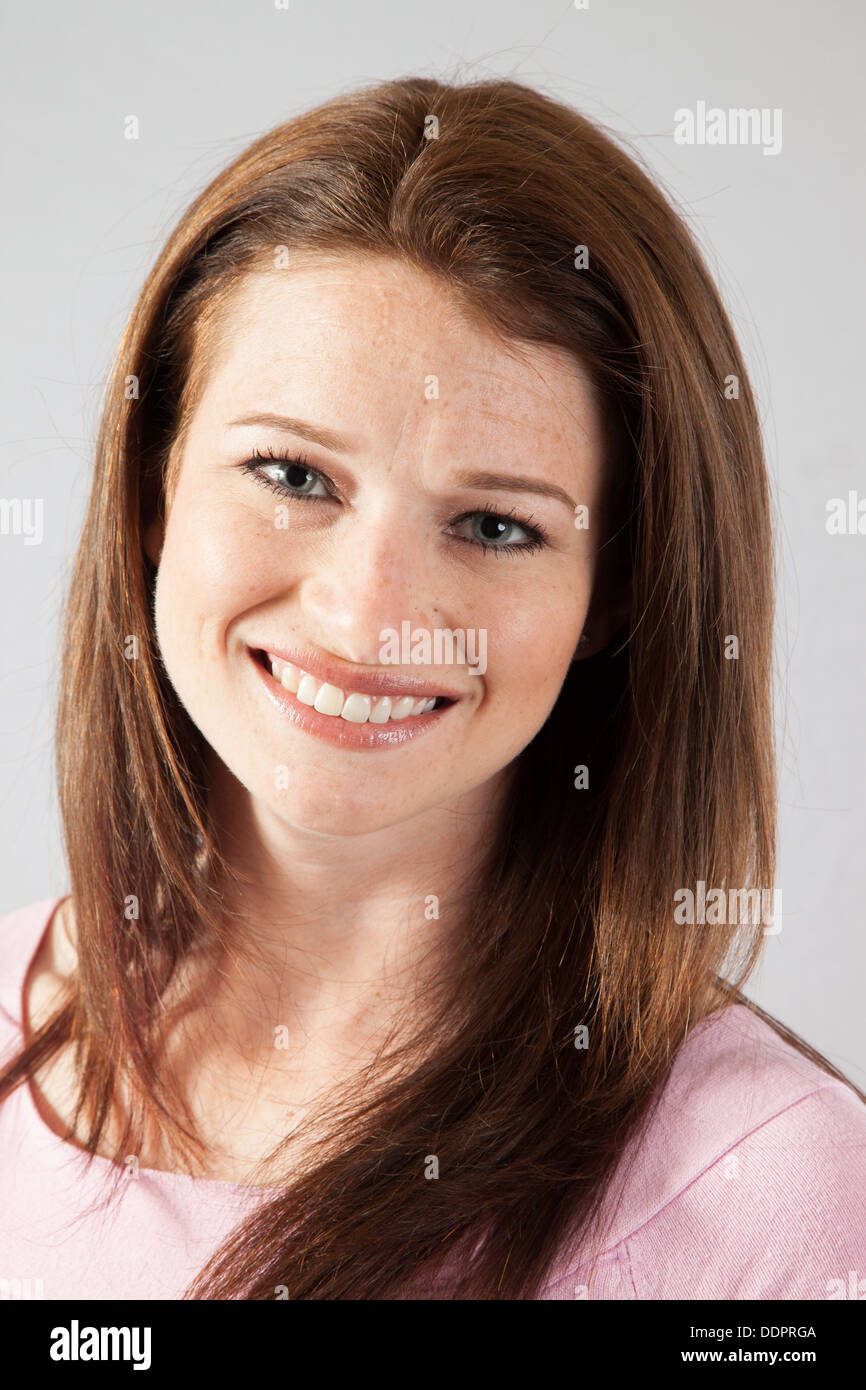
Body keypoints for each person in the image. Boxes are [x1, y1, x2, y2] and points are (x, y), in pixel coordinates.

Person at [1, 75, 864, 1301]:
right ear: (152, 489)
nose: (367, 615)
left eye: (495, 527)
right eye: (293, 473)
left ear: (612, 594)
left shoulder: (780, 1192)